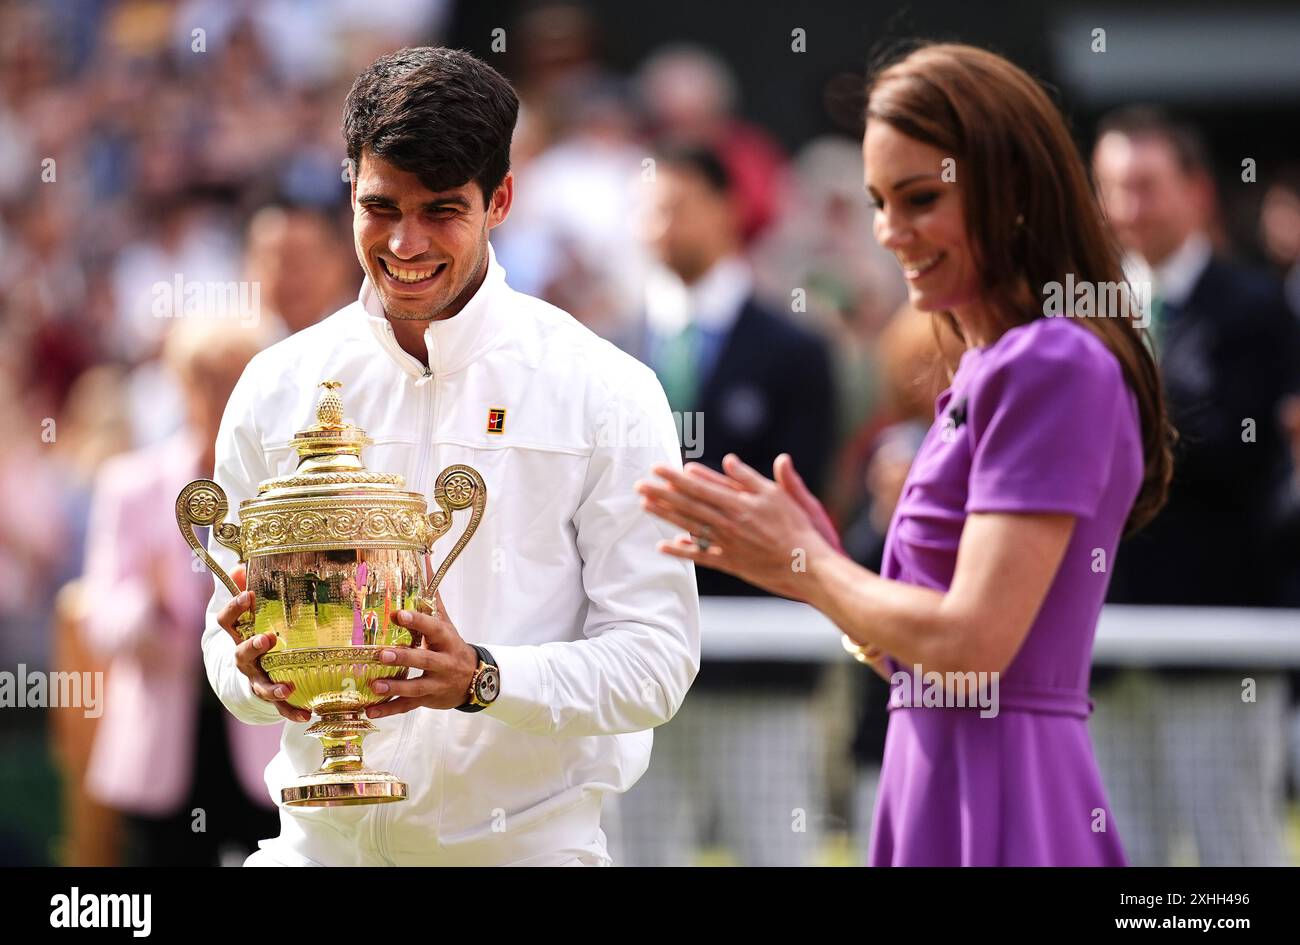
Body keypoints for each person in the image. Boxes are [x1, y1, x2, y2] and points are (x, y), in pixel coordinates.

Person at [637, 42, 1175, 866]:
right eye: (878, 201)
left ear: (1013, 190)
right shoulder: (993, 368)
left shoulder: (1048, 363)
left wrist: (809, 562)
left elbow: (973, 643)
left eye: (920, 197)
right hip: (938, 774)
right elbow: (932, 658)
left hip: (1005, 788)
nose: (891, 232)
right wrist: (804, 568)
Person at [199, 47, 699, 867]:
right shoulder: (274, 385)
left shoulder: (606, 389)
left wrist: (483, 678)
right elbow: (225, 649)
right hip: (314, 849)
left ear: (499, 199)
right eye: (380, 206)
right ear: (349, 190)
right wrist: (254, 676)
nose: (404, 242)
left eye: (441, 210)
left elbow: (656, 660)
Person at [1091, 107, 1300, 866]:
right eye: (1114, 188)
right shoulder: (1089, 309)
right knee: (1119, 851)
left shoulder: (1257, 308)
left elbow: (1244, 453)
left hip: (1221, 636)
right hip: (1105, 643)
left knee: (1235, 850)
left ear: (1197, 191)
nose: (1128, 207)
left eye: (1146, 186)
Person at [616, 143, 835, 866]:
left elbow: (793, 499)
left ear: (728, 208)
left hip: (758, 670)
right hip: (634, 661)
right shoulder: (607, 350)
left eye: (676, 205)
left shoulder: (795, 351)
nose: (660, 225)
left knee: (776, 848)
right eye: (649, 209)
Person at [80, 318, 282, 865]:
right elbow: (100, 617)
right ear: (180, 384)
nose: (219, 395)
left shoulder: (280, 488)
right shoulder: (131, 484)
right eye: (204, 379)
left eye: (233, 379)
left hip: (262, 732)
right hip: (165, 741)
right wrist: (150, 603)